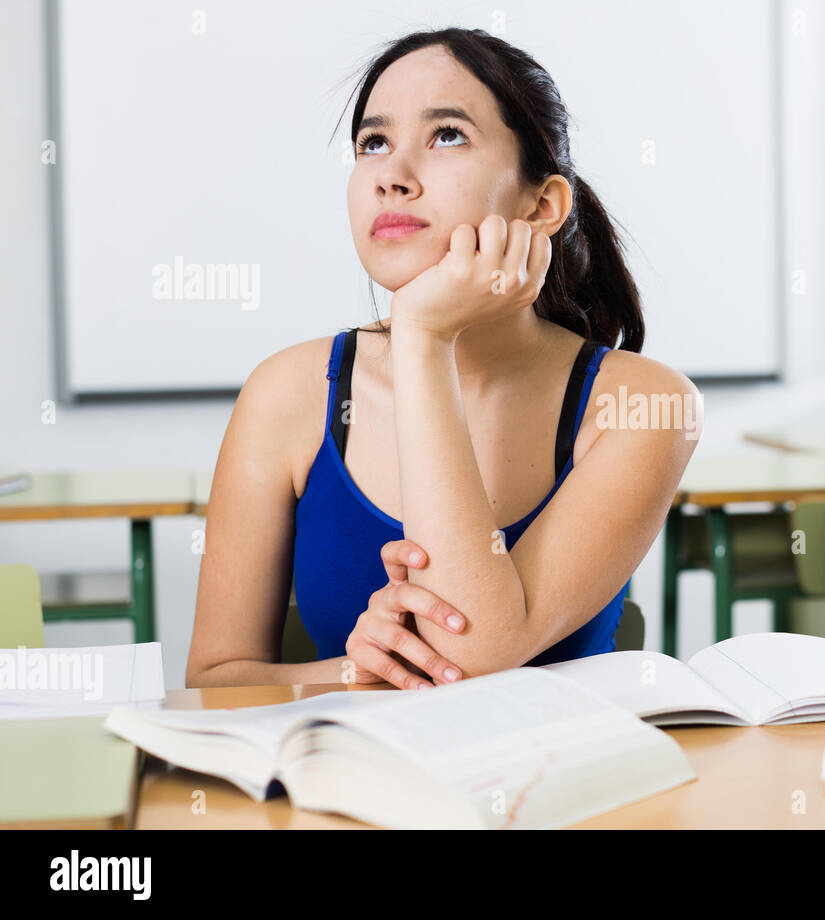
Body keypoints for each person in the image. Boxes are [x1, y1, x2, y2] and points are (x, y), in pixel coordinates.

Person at [187, 28, 701, 689]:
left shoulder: (645, 407)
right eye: (374, 143)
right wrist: (352, 672)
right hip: (348, 786)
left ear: (541, 204)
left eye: (447, 135)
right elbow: (212, 681)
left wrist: (423, 338)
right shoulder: (287, 393)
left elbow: (476, 652)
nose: (392, 177)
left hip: (568, 786)